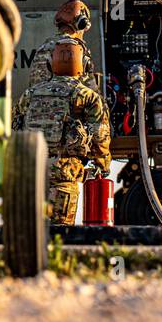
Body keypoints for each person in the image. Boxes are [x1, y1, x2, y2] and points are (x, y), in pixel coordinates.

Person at [14, 39, 111, 225]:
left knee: (29, 235)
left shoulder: (30, 94)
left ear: (50, 64)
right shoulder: (87, 96)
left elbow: (15, 127)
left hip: (29, 177)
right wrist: (102, 164)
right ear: (83, 65)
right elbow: (100, 137)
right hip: (63, 177)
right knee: (59, 236)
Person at [28, 0, 97, 88]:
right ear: (81, 24)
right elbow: (90, 87)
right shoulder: (77, 49)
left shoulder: (43, 47)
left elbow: (34, 84)